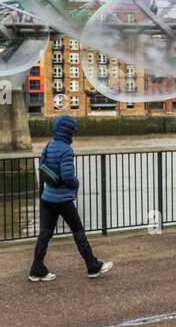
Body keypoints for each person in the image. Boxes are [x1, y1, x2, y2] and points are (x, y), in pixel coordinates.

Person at [28, 115, 113, 282]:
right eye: (73, 129)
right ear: (68, 131)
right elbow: (67, 176)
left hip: (47, 197)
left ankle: (36, 268)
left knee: (44, 234)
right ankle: (92, 266)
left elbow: (43, 168)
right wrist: (76, 183)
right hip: (62, 199)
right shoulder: (66, 149)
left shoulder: (49, 146)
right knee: (78, 232)